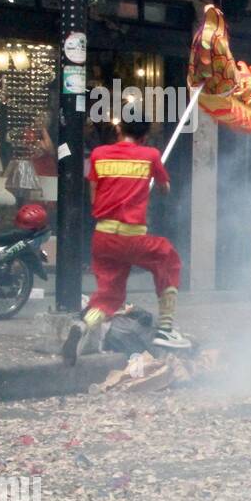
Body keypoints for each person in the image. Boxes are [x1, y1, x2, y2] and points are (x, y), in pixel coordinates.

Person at [61, 118, 190, 365]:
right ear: (146, 134)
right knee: (168, 258)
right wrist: (150, 183)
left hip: (103, 235)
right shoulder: (150, 155)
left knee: (110, 294)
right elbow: (165, 189)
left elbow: (94, 193)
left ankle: (82, 325)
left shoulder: (99, 153)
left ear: (119, 129)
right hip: (131, 234)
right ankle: (165, 328)